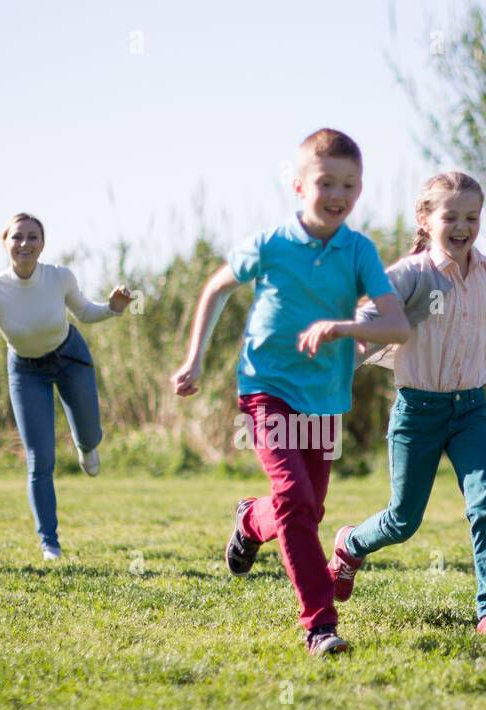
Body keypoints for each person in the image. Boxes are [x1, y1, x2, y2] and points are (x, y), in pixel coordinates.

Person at [171, 129, 410, 656]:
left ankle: (249, 520)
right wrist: (194, 360)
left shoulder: (358, 250)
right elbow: (215, 288)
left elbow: (397, 327)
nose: (338, 195)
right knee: (298, 504)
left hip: (324, 398)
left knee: (305, 509)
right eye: (326, 182)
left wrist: (343, 329)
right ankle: (319, 625)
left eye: (350, 184)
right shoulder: (272, 244)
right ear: (299, 186)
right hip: (267, 388)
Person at [328, 171, 486, 633]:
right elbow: (369, 322)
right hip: (418, 413)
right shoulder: (411, 275)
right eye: (451, 216)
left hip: (470, 409)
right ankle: (351, 544)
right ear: (426, 219)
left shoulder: (485, 271)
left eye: (472, 216)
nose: (463, 226)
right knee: (403, 520)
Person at [0, 213, 134, 560]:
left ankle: (86, 446)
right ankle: (50, 544)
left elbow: (86, 313)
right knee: (38, 460)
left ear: (43, 244)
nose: (25, 244)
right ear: (5, 243)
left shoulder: (59, 277)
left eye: (32, 237)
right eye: (17, 237)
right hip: (26, 371)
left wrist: (113, 309)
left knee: (90, 435)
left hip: (70, 356)